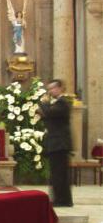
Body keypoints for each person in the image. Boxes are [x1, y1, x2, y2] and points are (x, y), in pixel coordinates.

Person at [38, 79, 73, 207]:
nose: (50, 91)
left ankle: (63, 200)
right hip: (55, 143)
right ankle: (60, 198)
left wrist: (44, 104)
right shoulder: (57, 104)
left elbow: (50, 112)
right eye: (49, 89)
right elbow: (49, 117)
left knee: (60, 174)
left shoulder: (63, 103)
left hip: (60, 144)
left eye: (52, 88)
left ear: (60, 88)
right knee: (56, 173)